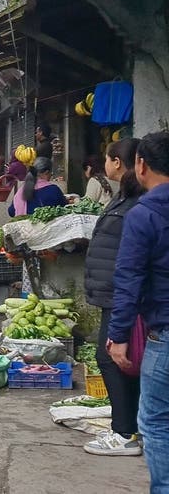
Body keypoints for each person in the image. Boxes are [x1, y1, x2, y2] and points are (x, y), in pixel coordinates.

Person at [109, 131, 169, 488]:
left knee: (157, 422)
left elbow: (128, 280)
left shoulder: (143, 215)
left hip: (165, 335)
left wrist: (118, 336)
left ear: (141, 165)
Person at [81, 138, 143, 456]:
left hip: (120, 293)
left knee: (112, 357)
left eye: (108, 158)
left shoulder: (137, 202)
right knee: (117, 358)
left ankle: (124, 433)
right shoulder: (125, 197)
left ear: (116, 162)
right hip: (112, 292)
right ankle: (131, 426)